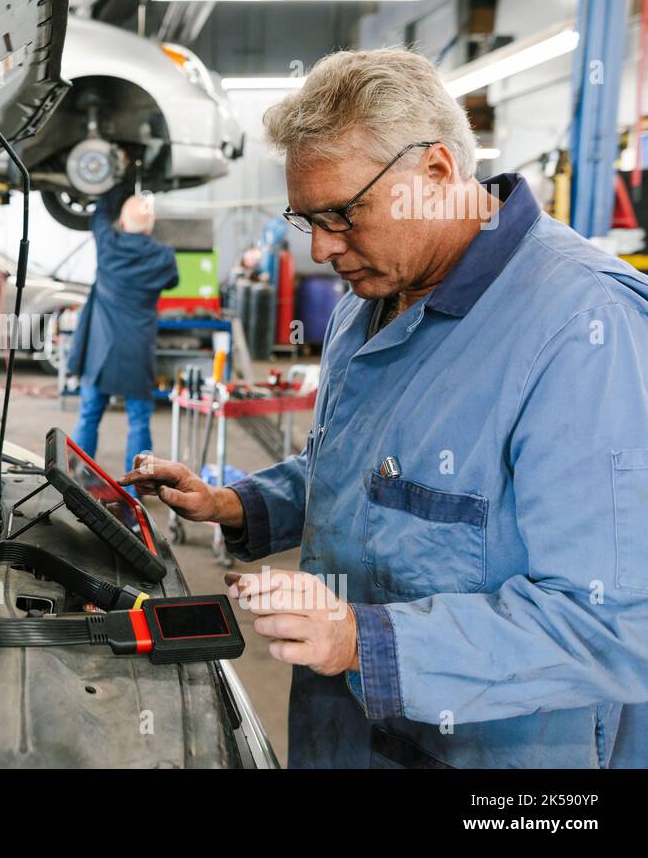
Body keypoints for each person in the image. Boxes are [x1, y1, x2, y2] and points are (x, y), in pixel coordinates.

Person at [121, 47, 648, 768]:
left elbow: (613, 622)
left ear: (435, 173)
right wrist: (236, 505)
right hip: (345, 735)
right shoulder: (368, 299)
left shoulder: (584, 327)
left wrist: (363, 642)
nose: (322, 249)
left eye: (343, 214)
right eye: (307, 219)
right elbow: (365, 472)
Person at [66, 187, 178, 473]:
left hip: (100, 350)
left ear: (123, 223)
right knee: (139, 420)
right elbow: (172, 281)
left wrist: (118, 183)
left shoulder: (108, 246)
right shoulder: (163, 257)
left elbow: (100, 213)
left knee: (89, 413)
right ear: (150, 225)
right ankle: (141, 484)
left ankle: (77, 477)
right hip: (137, 350)